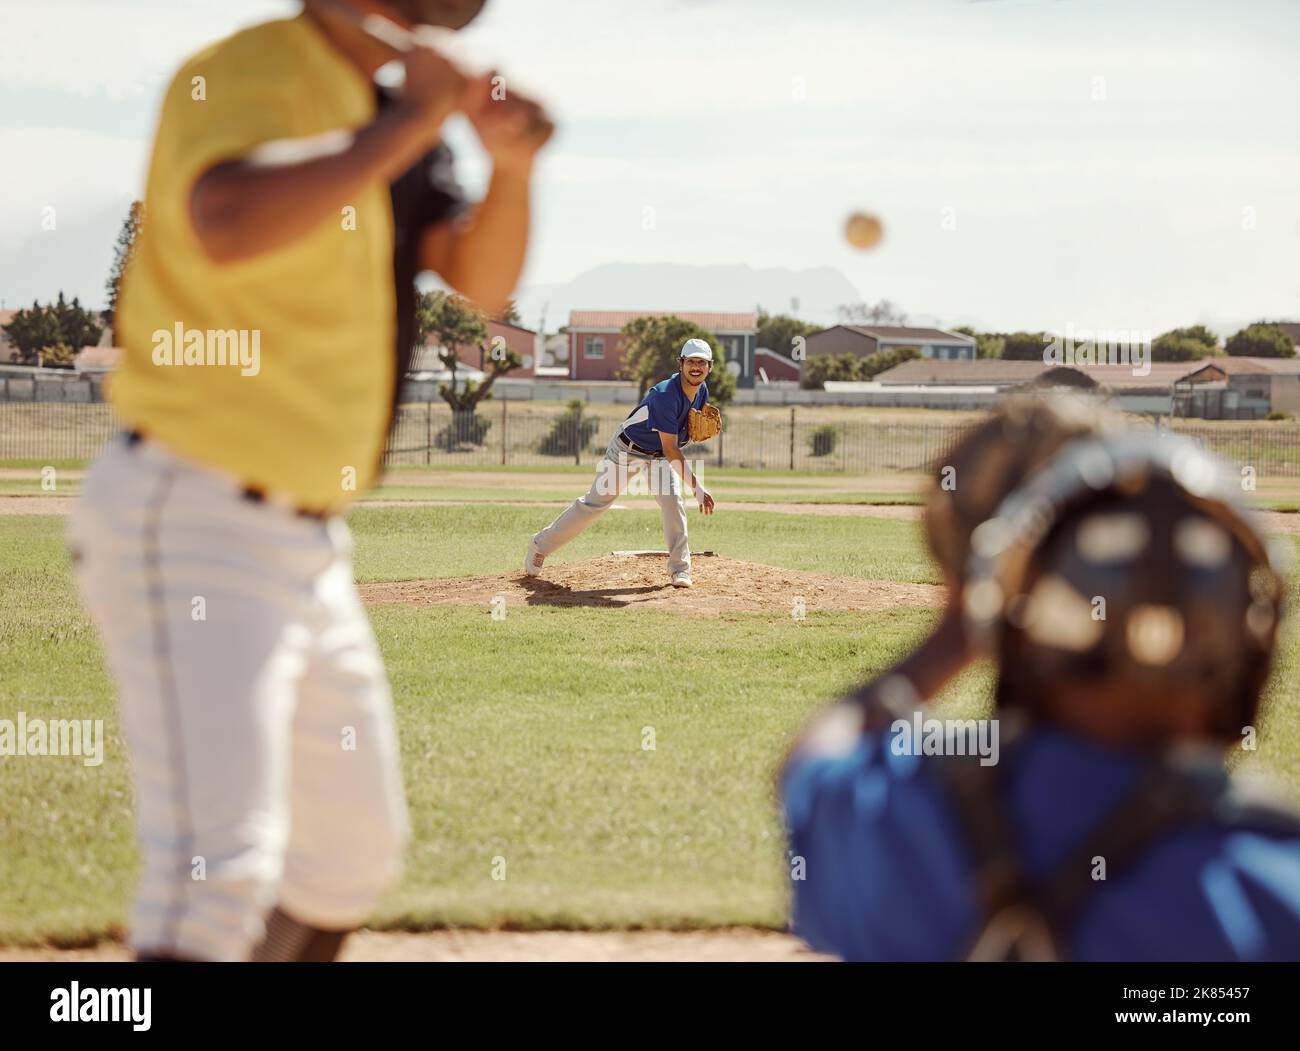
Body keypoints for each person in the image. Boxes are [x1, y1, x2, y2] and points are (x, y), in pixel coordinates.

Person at [69, 0, 551, 962]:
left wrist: (511, 164)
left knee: (349, 861)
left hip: (308, 543)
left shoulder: (389, 117)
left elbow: (482, 282)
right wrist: (409, 119)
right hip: (194, 505)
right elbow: (228, 219)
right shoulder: (247, 71)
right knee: (215, 877)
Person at [782, 423, 1300, 961]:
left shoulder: (906, 819)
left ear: (1017, 635)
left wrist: (962, 626)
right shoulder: (1273, 890)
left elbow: (810, 766)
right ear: (1250, 660)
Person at [523, 338, 718, 588]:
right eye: (691, 361)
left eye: (701, 362)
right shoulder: (664, 394)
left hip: (657, 455)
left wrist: (689, 437)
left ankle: (680, 569)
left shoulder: (701, 391)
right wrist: (697, 487)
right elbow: (671, 448)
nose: (696, 367)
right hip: (627, 450)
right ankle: (539, 545)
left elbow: (678, 437)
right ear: (681, 364)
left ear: (709, 367)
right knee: (594, 504)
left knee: (673, 503)